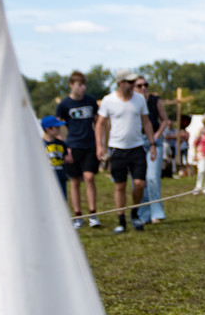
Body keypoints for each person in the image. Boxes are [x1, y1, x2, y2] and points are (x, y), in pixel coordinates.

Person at [96, 71, 157, 234]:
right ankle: (121, 220)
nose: (133, 85)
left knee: (139, 184)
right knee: (120, 186)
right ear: (120, 83)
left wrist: (152, 144)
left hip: (137, 147)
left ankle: (135, 213)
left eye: (133, 82)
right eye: (129, 82)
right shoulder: (109, 100)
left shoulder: (140, 99)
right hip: (117, 149)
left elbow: (146, 121)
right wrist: (99, 146)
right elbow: (100, 124)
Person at [56, 71, 102, 228]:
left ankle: (93, 215)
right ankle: (78, 216)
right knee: (74, 181)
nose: (83, 88)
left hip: (90, 145)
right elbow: (60, 127)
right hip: (72, 146)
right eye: (79, 85)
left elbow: (98, 123)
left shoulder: (90, 101)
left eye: (84, 84)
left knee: (89, 177)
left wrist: (100, 143)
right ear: (71, 85)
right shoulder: (64, 105)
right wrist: (65, 147)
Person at [135, 77, 169, 225]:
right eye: (139, 85)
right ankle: (143, 214)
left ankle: (157, 212)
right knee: (139, 181)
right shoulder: (133, 102)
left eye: (145, 85)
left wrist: (156, 135)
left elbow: (165, 120)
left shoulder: (155, 100)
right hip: (137, 143)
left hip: (155, 142)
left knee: (152, 178)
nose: (143, 88)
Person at [41, 115, 68, 202]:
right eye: (56, 127)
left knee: (62, 200)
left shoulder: (62, 143)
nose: (59, 129)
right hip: (47, 178)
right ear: (48, 129)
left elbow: (66, 157)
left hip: (61, 177)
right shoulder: (40, 145)